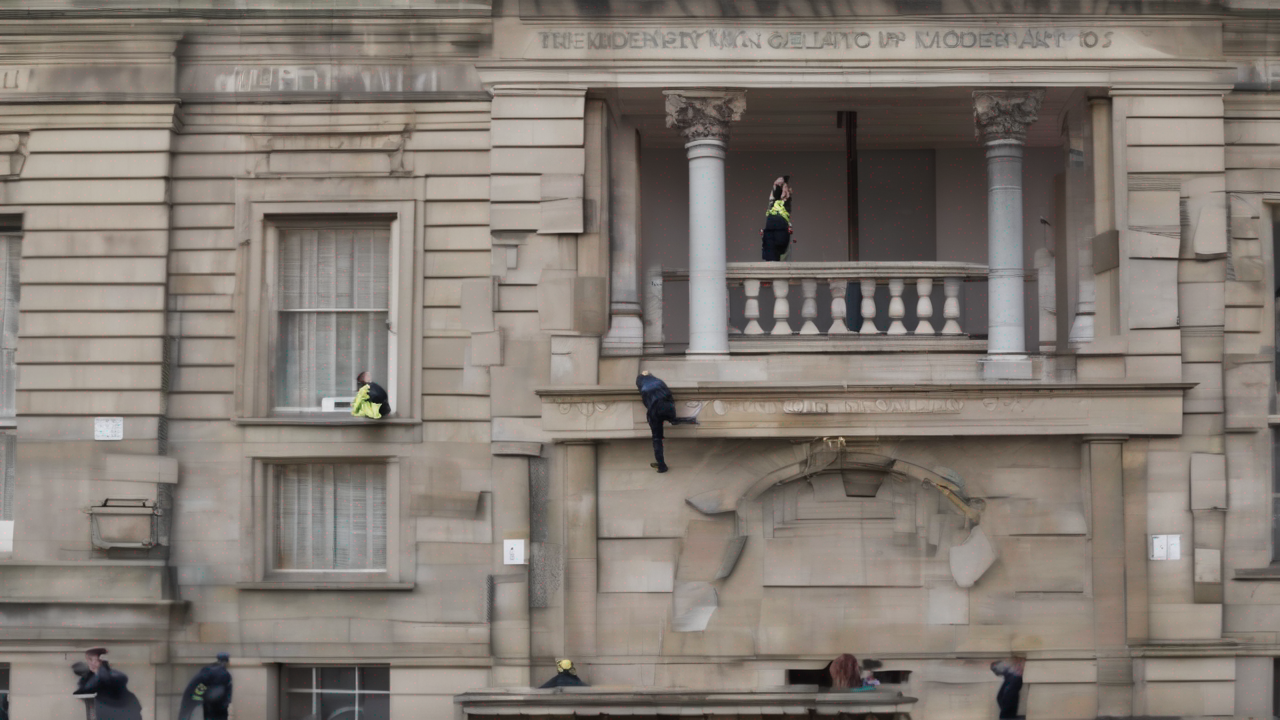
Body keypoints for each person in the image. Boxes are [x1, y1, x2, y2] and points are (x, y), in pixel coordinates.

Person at [636, 371, 698, 473]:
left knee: (657, 439)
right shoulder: (660, 382)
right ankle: (691, 420)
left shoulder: (644, 388)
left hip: (654, 413)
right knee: (673, 420)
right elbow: (669, 396)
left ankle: (662, 465)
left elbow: (647, 403)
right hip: (667, 408)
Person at [72, 648, 143, 720]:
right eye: (90, 659)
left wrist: (103, 667)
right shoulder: (87, 678)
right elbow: (83, 690)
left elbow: (104, 681)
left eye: (98, 660)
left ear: (103, 661)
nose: (93, 663)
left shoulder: (116, 675)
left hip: (123, 711)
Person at [177, 652, 233, 720]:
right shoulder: (222, 673)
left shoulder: (208, 671)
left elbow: (201, 688)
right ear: (227, 661)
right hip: (216, 708)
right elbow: (219, 693)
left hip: (206, 704)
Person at [760, 176, 793, 261]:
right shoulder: (773, 201)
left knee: (779, 247)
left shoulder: (786, 199)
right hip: (773, 225)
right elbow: (775, 193)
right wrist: (778, 183)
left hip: (780, 226)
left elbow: (785, 194)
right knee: (771, 251)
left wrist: (784, 184)